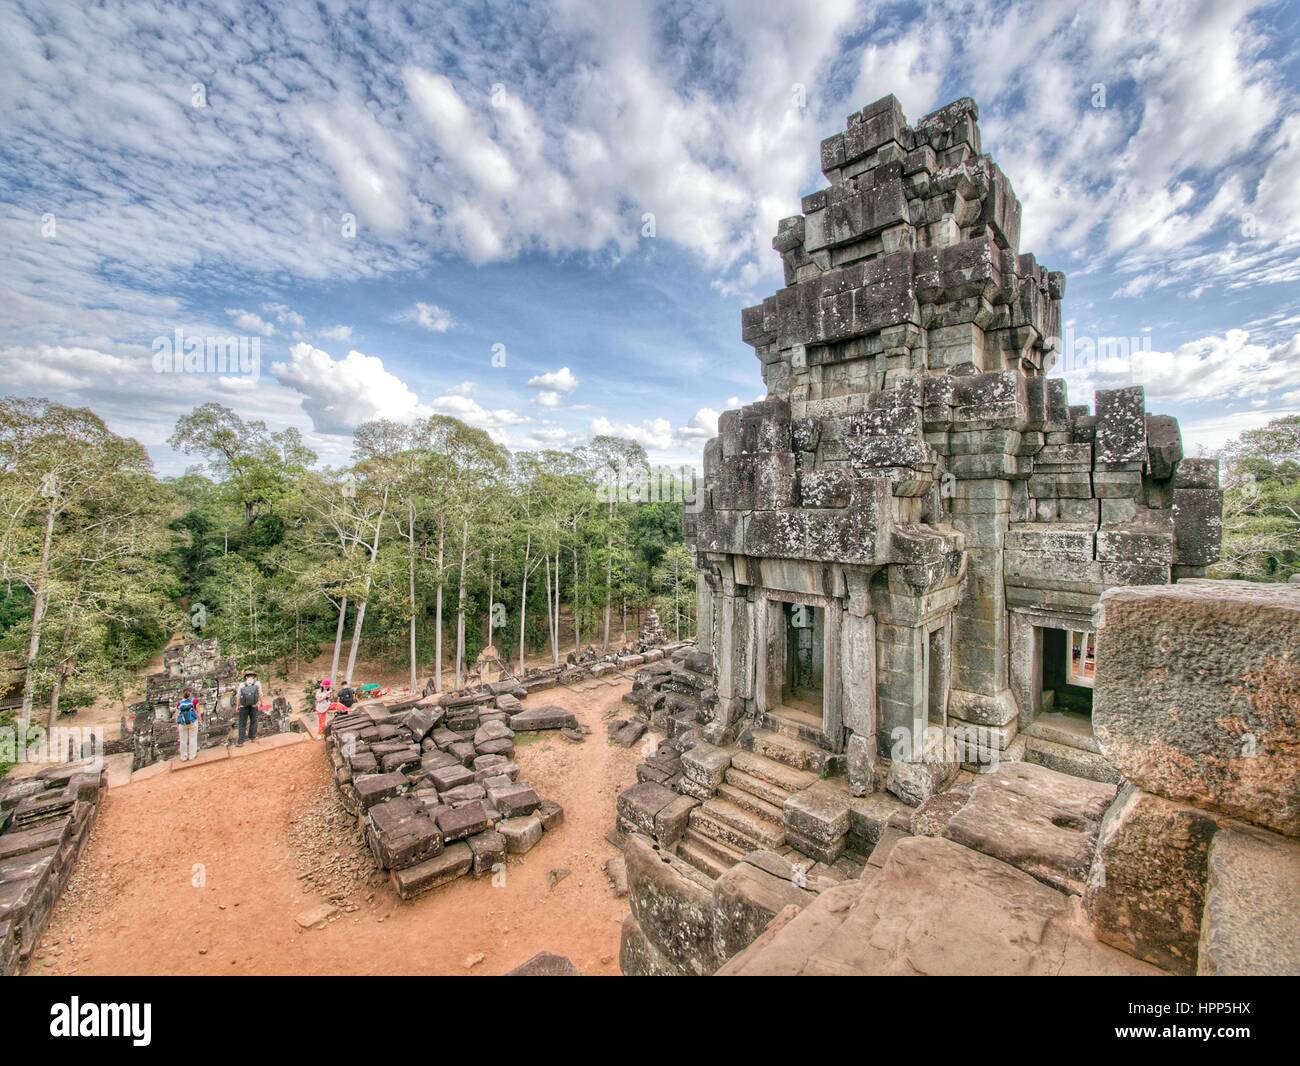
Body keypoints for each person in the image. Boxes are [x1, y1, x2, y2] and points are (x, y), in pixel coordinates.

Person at [236, 669, 262, 745]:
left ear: (246, 677)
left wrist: (237, 706)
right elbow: (260, 694)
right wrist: (262, 703)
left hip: (243, 706)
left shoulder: (242, 684)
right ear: (253, 676)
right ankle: (253, 738)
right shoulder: (257, 683)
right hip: (254, 705)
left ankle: (240, 742)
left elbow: (238, 696)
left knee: (242, 723)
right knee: (254, 721)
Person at [176, 688, 201, 762]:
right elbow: (198, 712)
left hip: (182, 723)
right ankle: (192, 756)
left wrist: (177, 724)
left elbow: (177, 714)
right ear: (190, 693)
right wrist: (200, 720)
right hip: (193, 721)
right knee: (192, 738)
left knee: (183, 740)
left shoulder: (180, 703)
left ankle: (183, 757)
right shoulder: (195, 701)